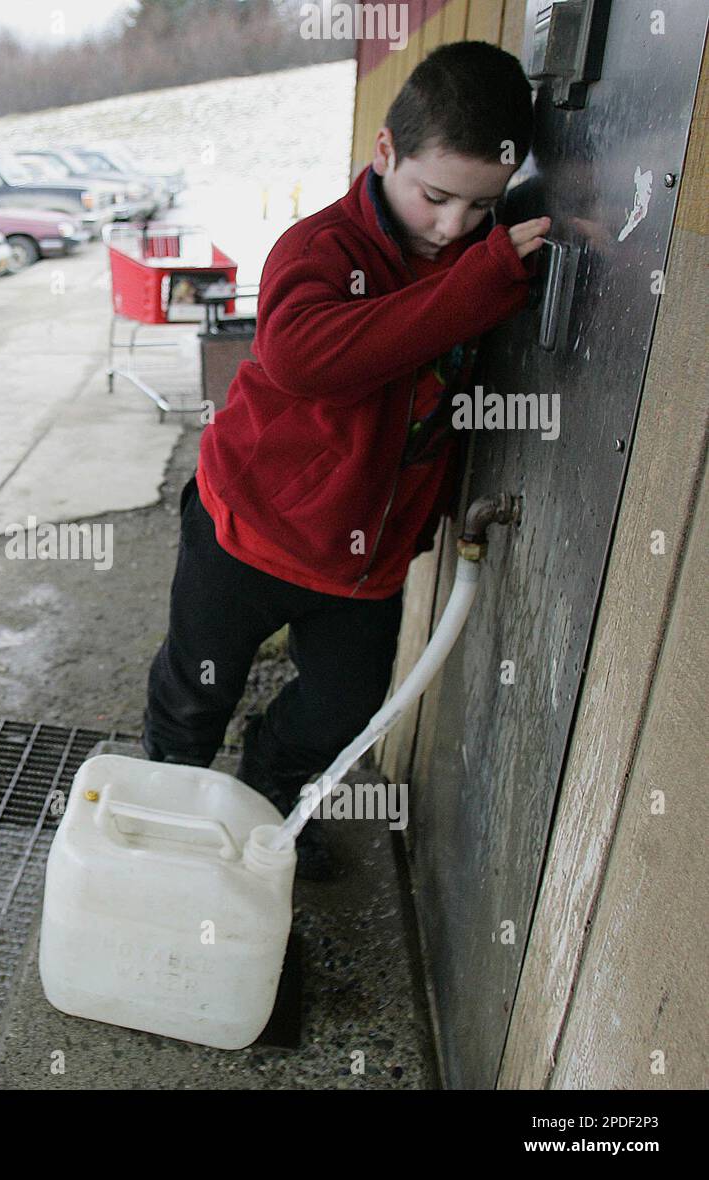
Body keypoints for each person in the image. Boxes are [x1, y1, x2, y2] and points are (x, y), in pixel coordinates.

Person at [143, 42, 551, 879]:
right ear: (386, 154)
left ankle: (269, 789)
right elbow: (301, 358)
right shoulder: (321, 246)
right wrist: (473, 286)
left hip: (363, 566)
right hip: (245, 531)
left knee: (342, 711)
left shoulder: (476, 258)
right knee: (196, 691)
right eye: (435, 197)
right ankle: (167, 810)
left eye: (481, 205)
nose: (454, 226)